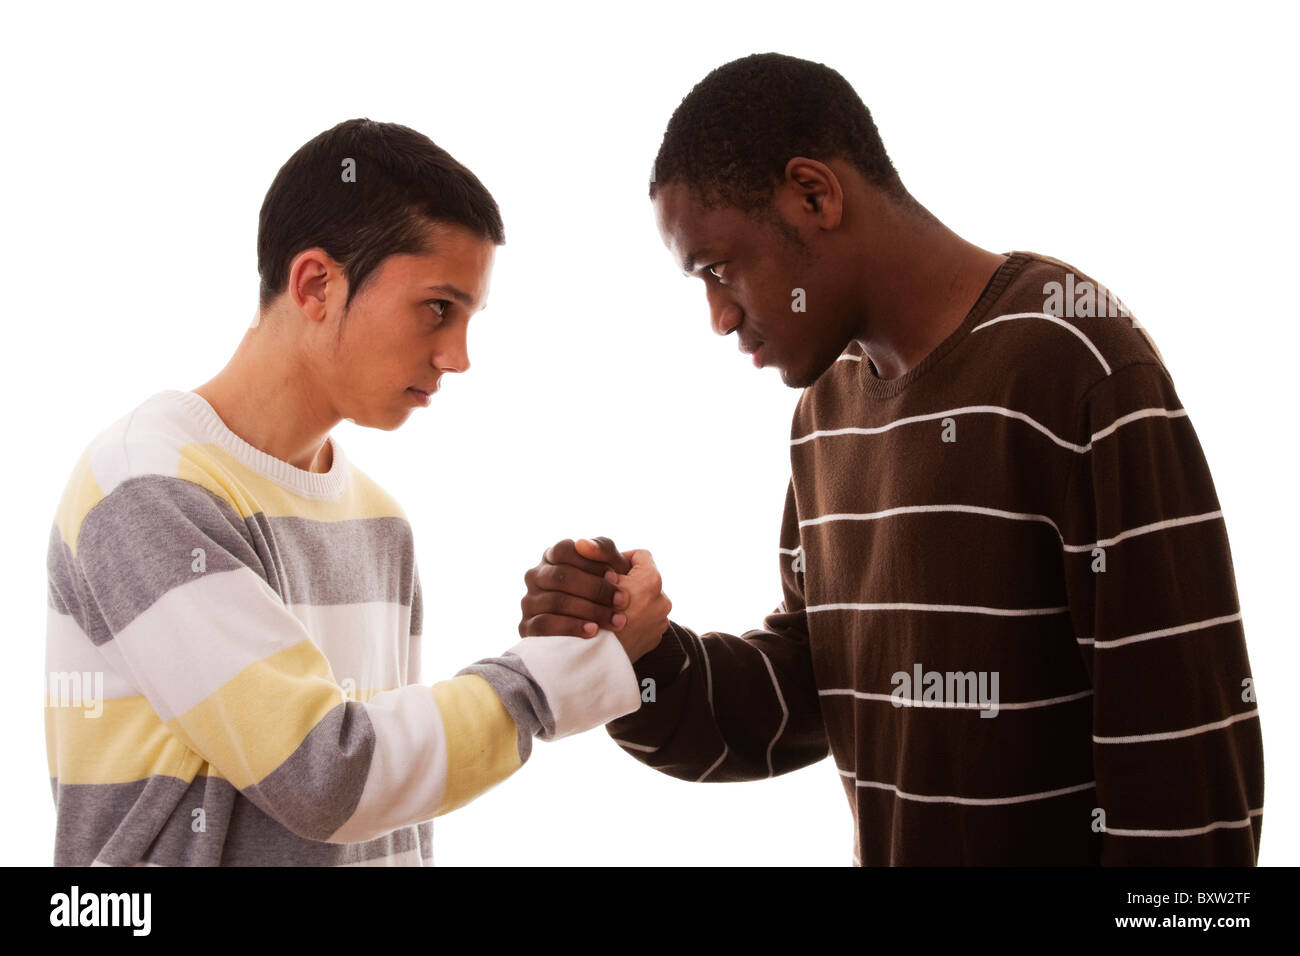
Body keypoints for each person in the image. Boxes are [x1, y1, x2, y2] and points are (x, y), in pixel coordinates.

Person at [518, 53, 1264, 865]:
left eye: (720, 268)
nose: (719, 316)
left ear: (815, 194)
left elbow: (1187, 765)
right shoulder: (825, 414)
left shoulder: (1074, 361)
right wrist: (641, 655)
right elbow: (810, 693)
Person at [43, 118, 671, 866]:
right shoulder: (146, 487)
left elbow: (390, 813)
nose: (459, 356)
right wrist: (551, 678)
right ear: (317, 284)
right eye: (439, 307)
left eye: (471, 317)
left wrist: (574, 644)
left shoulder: (380, 521)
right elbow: (325, 776)